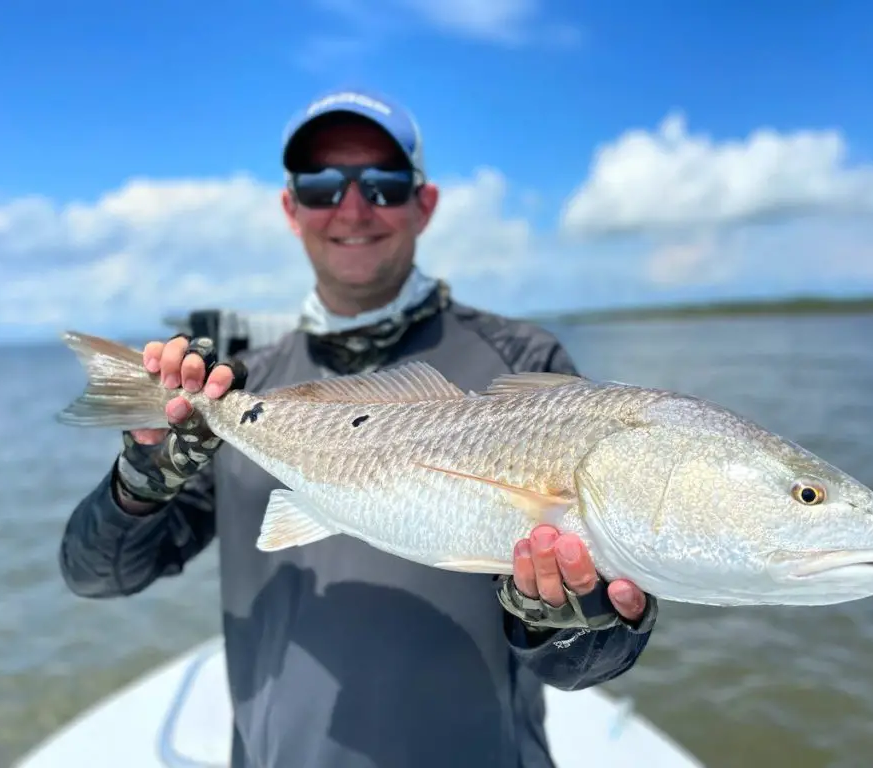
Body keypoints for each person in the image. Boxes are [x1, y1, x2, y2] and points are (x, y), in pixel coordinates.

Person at [59, 88, 658, 768]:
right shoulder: (238, 389)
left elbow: (589, 663)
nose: (350, 207)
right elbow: (97, 576)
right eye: (320, 186)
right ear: (292, 210)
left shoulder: (524, 368)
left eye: (382, 183)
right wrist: (140, 481)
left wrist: (567, 618)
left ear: (423, 204)